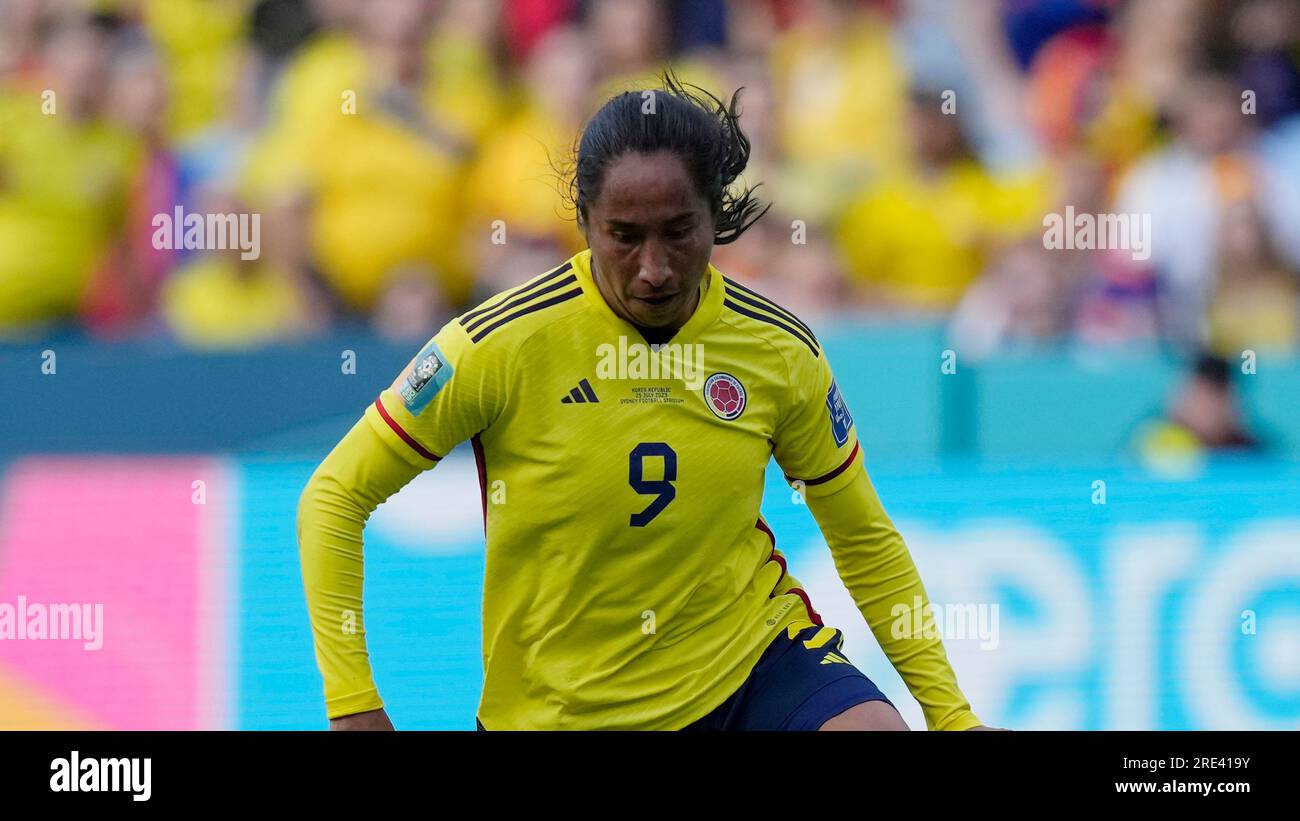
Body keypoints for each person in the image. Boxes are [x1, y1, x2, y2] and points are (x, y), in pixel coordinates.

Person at [298, 73, 995, 731]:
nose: (654, 268)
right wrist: (353, 702)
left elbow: (864, 537)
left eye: (678, 231)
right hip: (563, 709)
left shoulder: (778, 351)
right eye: (624, 238)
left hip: (748, 665)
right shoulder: (495, 346)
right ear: (585, 222)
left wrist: (953, 715)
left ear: (714, 215)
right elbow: (332, 497)